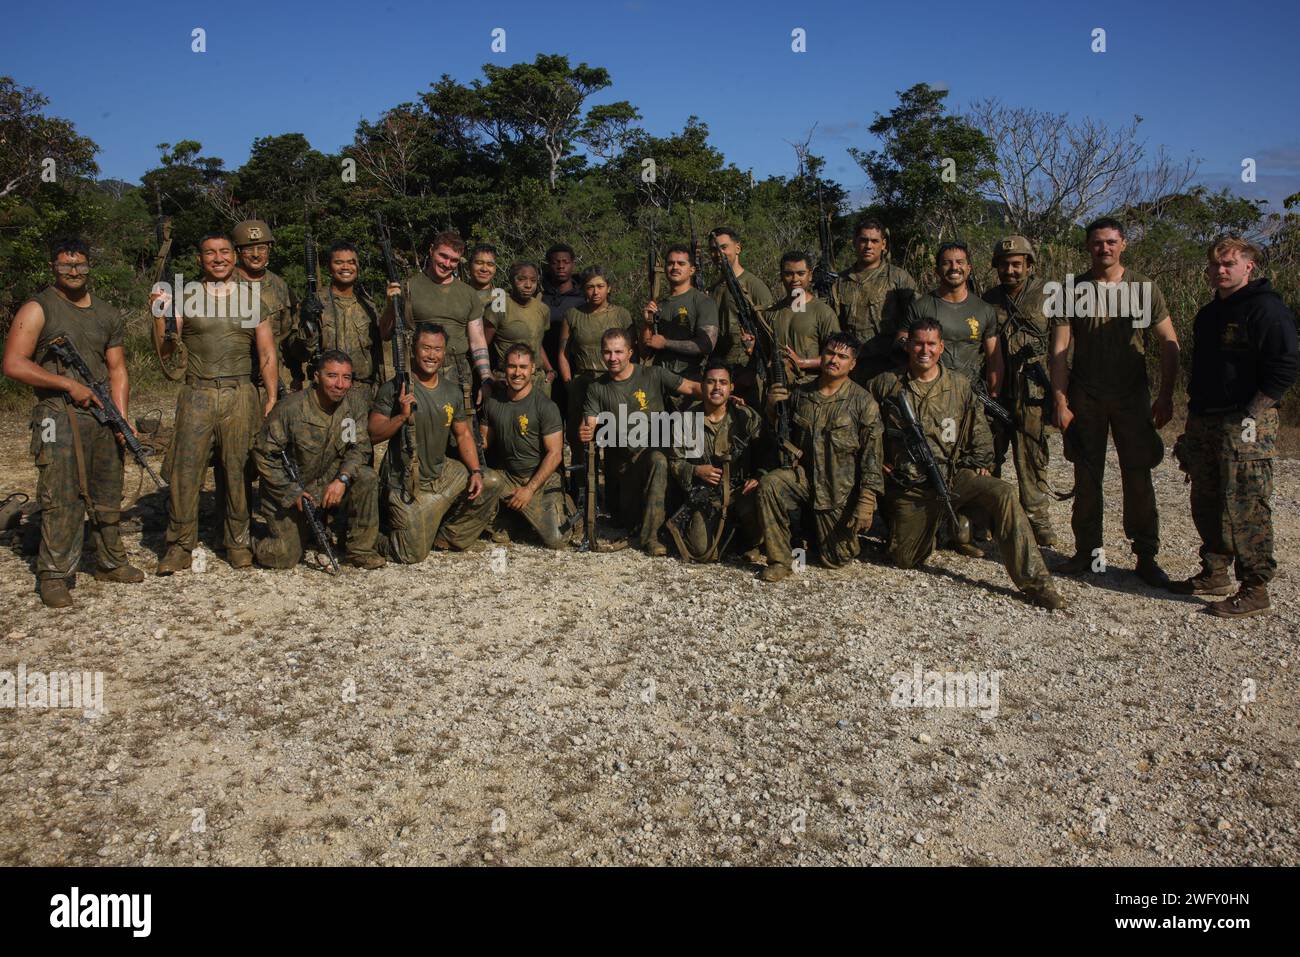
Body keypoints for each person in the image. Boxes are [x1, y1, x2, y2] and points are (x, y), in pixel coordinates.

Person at [869, 319, 1066, 610]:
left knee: (1003, 492)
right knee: (905, 559)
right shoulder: (884, 384)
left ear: (942, 347)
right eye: (919, 343)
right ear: (908, 345)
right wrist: (879, 462)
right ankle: (939, 528)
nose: (925, 350)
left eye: (931, 344)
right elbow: (867, 430)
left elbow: (980, 430)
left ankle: (1037, 583)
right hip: (910, 487)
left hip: (952, 476)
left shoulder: (959, 385)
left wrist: (981, 463)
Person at [2, 237, 144, 607]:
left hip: (100, 413)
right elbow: (15, 363)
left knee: (107, 488)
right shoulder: (39, 308)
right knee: (60, 492)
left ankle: (109, 561)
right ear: (54, 266)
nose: (74, 271)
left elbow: (118, 369)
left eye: (80, 265)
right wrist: (66, 383)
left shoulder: (108, 313)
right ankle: (54, 573)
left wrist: (121, 419)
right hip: (56, 414)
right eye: (67, 265)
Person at [1171, 236, 1298, 617]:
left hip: (1245, 422)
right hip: (1206, 418)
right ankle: (1214, 571)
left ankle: (1255, 587)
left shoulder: (1265, 309)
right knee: (1206, 498)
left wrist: (1251, 414)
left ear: (1249, 267)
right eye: (1215, 265)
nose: (1220, 270)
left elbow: (1285, 367)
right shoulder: (1209, 314)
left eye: (1228, 264)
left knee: (1246, 505)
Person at [1049, 217, 1180, 587]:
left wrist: (1166, 394)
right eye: (1096, 242)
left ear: (1123, 244)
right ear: (1087, 246)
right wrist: (1060, 400)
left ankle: (1146, 556)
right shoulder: (1071, 289)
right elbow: (1059, 350)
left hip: (1132, 397)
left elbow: (1168, 342)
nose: (1103, 248)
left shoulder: (1142, 288)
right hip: (1085, 396)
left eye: (1110, 242)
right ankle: (1087, 553)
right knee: (1087, 476)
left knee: (1137, 475)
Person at [150, 232, 277, 574]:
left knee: (237, 470)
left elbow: (266, 352)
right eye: (210, 253)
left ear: (234, 256)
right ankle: (179, 545)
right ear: (199, 259)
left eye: (224, 252)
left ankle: (237, 541)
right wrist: (159, 314)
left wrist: (272, 395)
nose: (218, 258)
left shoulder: (251, 298)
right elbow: (165, 351)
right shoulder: (185, 295)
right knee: (185, 471)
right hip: (198, 393)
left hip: (240, 393)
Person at [756, 332, 883, 582]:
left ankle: (812, 534)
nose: (834, 360)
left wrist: (866, 504)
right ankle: (781, 559)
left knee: (835, 559)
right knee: (771, 484)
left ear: (853, 364)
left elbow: (872, 458)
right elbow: (778, 438)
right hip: (803, 481)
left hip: (838, 494)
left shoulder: (863, 403)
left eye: (842, 356)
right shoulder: (800, 395)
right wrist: (772, 408)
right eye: (830, 353)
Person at [903, 241, 1003, 555]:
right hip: (932, 397)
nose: (954, 267)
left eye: (960, 262)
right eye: (947, 262)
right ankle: (933, 525)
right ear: (937, 269)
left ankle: (969, 531)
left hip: (971, 398)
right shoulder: (922, 305)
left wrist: (995, 390)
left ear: (969, 267)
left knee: (975, 462)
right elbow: (906, 343)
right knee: (933, 459)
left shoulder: (984, 310)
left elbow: (994, 355)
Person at [368, 323, 499, 562]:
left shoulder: (452, 391)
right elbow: (374, 433)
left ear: (445, 352)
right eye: (425, 348)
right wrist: (401, 417)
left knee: (490, 482)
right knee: (411, 555)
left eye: (437, 349)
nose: (431, 355)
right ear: (413, 350)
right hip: (405, 485)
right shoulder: (395, 388)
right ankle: (370, 538)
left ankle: (446, 535)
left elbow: (463, 435)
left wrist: (475, 471)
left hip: (441, 474)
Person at [253, 350, 384, 569]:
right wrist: (291, 491)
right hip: (291, 492)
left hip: (327, 485)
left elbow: (359, 447)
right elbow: (264, 454)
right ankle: (249, 536)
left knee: (366, 477)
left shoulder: (354, 405)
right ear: (316, 376)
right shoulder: (291, 409)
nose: (340, 384)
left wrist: (342, 479)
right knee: (282, 556)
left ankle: (359, 549)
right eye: (332, 376)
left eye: (346, 377)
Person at [579, 328, 703, 555]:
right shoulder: (597, 388)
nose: (613, 358)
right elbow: (590, 422)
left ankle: (651, 538)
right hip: (626, 471)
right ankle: (647, 526)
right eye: (607, 352)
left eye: (618, 352)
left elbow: (693, 387)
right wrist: (586, 430)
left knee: (659, 458)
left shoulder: (654, 374)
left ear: (630, 352)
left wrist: (723, 394)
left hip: (657, 460)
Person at [982, 235, 1057, 545]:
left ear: (1029, 265)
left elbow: (1065, 343)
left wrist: (1061, 391)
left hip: (1034, 391)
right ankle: (990, 517)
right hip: (997, 389)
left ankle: (1038, 520)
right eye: (1004, 265)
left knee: (1031, 456)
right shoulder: (989, 299)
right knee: (990, 455)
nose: (1010, 270)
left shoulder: (1049, 295)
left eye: (1016, 264)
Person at [381, 230, 492, 405]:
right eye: (443, 256)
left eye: (454, 260)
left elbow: (477, 340)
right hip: (419, 372)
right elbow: (386, 333)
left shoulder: (469, 294)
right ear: (431, 250)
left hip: (458, 372)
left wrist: (486, 377)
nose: (447, 264)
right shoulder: (408, 287)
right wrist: (390, 306)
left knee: (460, 427)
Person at [667, 361, 763, 561]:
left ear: (731, 387)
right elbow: (675, 461)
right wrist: (696, 471)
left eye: (723, 382)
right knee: (700, 552)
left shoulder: (746, 417)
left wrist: (758, 476)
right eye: (711, 382)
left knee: (757, 503)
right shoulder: (685, 420)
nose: (717, 387)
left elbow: (766, 451)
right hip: (706, 496)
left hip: (740, 492)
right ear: (702, 386)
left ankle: (752, 543)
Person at [482, 344, 574, 548]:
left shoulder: (546, 406)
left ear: (533, 369)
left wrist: (529, 489)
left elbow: (555, 454)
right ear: (504, 369)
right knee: (484, 479)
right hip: (508, 477)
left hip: (541, 479)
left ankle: (563, 503)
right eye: (512, 366)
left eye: (523, 367)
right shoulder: (493, 403)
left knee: (558, 540)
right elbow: (484, 442)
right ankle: (513, 519)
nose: (517, 373)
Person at [557, 266, 635, 451]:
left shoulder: (621, 315)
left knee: (614, 439)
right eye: (590, 286)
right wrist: (569, 383)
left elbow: (633, 352)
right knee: (580, 439)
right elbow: (563, 353)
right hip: (582, 382)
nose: (595, 291)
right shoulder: (573, 315)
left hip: (614, 383)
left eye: (600, 286)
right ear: (583, 289)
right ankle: (579, 480)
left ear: (609, 288)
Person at [831, 217, 917, 385]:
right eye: (863, 240)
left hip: (890, 366)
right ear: (855, 242)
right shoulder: (840, 281)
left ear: (883, 244)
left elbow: (916, 317)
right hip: (851, 368)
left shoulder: (899, 278)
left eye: (874, 241)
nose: (868, 245)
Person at [304, 241, 384, 401]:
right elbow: (300, 351)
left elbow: (377, 353)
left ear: (358, 266)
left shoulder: (368, 306)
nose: (346, 267)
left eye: (351, 262)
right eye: (339, 262)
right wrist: (306, 322)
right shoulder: (316, 302)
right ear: (329, 267)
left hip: (362, 392)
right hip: (325, 391)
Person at [641, 243, 720, 394]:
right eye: (670, 263)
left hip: (691, 383)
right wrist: (647, 324)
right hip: (659, 384)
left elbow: (706, 344)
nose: (675, 267)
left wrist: (666, 343)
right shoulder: (659, 304)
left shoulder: (703, 302)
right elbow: (645, 352)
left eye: (681, 263)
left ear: (692, 270)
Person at [232, 218, 297, 395]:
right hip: (234, 383)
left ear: (269, 250)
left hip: (271, 382)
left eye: (262, 248)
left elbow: (287, 334)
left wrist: (296, 376)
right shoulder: (224, 283)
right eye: (248, 248)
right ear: (238, 251)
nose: (256, 254)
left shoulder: (279, 285)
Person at [708, 226, 773, 401]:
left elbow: (769, 334)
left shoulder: (753, 286)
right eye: (714, 249)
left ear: (738, 248)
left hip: (746, 372)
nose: (718, 253)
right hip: (720, 373)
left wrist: (753, 370)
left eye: (723, 247)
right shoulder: (714, 288)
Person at [766, 250, 841, 385]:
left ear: (810, 275)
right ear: (781, 276)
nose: (795, 279)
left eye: (800, 274)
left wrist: (802, 363)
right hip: (777, 389)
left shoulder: (823, 313)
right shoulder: (771, 313)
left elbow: (837, 356)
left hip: (811, 389)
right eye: (789, 274)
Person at [488, 262, 556, 396]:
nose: (528, 285)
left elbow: (537, 342)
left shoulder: (542, 309)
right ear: (511, 280)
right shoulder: (499, 306)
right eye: (521, 279)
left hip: (538, 380)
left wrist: (550, 370)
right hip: (508, 380)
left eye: (533, 280)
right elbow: (482, 344)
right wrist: (488, 377)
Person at [465, 243, 500, 311]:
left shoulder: (504, 300)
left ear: (495, 268)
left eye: (490, 264)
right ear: (469, 265)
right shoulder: (457, 295)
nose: (484, 269)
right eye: (479, 263)